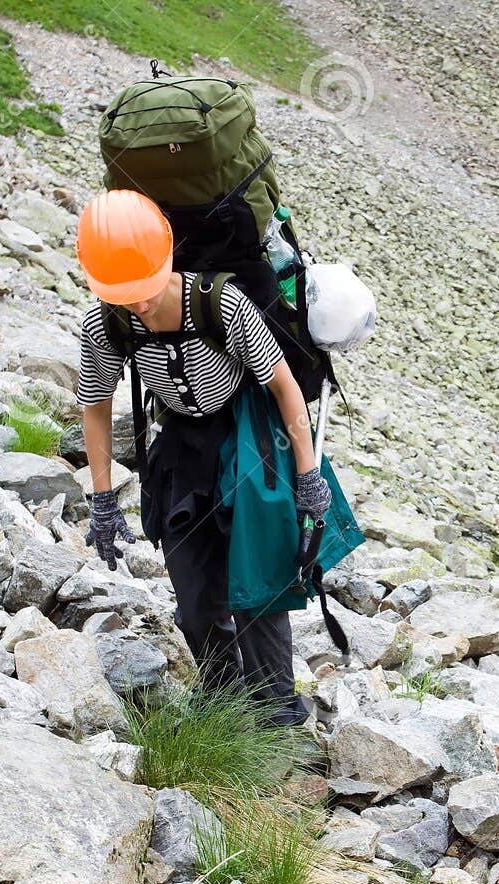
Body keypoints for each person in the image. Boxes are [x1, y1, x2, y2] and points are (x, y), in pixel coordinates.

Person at [74, 189, 327, 726]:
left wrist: (307, 477)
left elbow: (284, 388)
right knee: (192, 589)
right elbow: (95, 405)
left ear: (166, 260)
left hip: (248, 437)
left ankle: (277, 712)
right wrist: (101, 497)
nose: (139, 304)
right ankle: (222, 696)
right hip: (181, 448)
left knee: (258, 576)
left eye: (143, 290)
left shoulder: (224, 306)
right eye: (125, 295)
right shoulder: (108, 324)